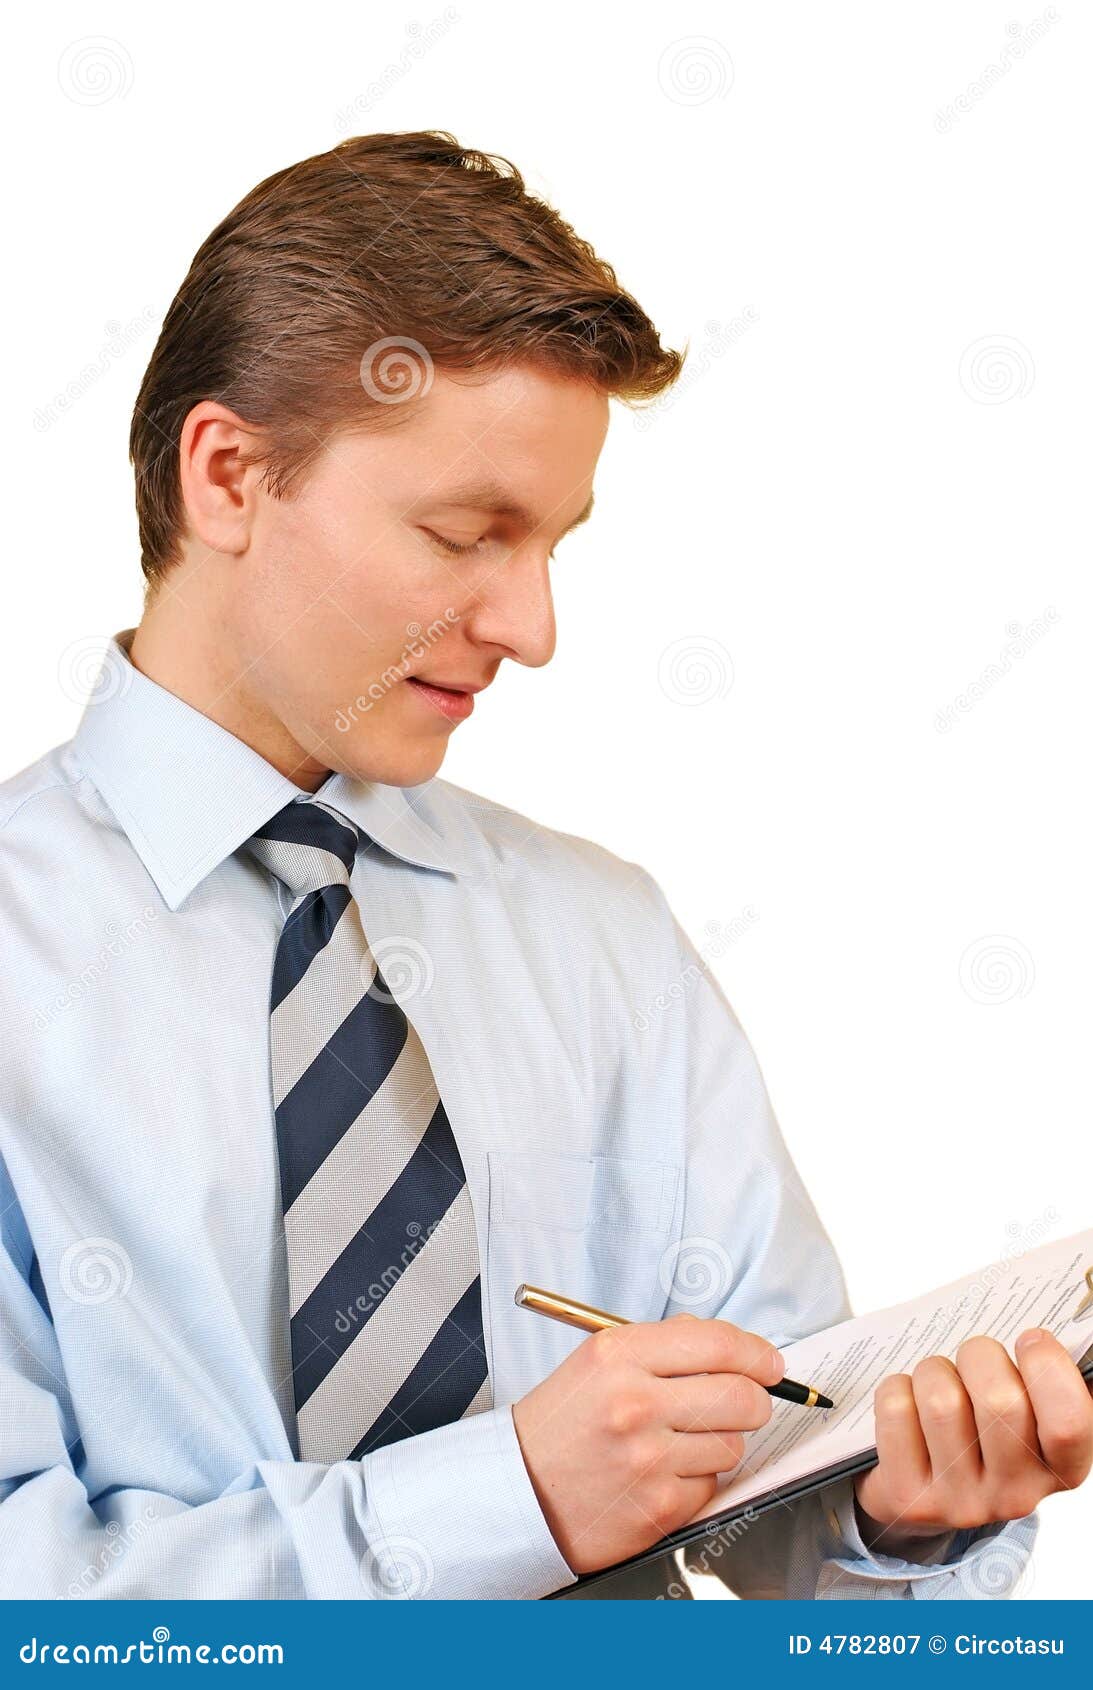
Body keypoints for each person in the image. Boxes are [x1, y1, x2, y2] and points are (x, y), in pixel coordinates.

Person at [1, 131, 1089, 1601]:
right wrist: (507, 1498)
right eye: (465, 533)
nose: (531, 626)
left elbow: (774, 1508)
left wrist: (887, 1522)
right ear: (229, 475)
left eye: (554, 544)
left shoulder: (601, 936)